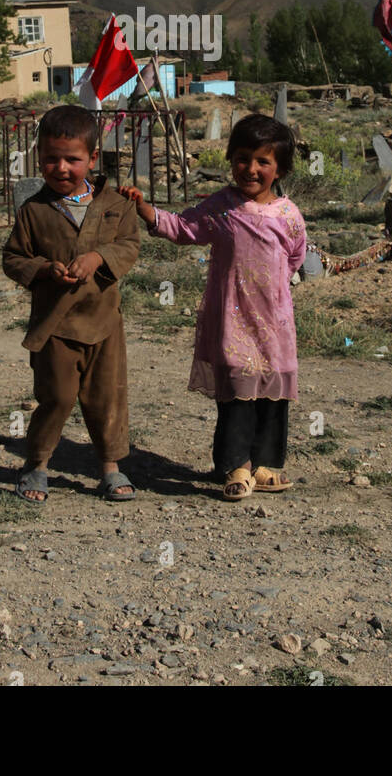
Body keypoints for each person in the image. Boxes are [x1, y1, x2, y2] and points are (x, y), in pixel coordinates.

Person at [121, 113, 306, 500]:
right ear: (230, 159)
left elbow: (295, 258)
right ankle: (235, 466)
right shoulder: (222, 206)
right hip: (233, 319)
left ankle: (266, 465)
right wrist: (146, 211)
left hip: (274, 322)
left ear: (280, 168)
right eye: (242, 158)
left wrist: (272, 293)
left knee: (273, 395)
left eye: (262, 162)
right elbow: (184, 228)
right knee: (238, 392)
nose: (250, 169)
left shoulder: (288, 214)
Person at [2, 106, 140, 506]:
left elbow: (129, 246)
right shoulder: (35, 211)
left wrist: (98, 258)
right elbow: (13, 258)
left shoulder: (117, 205)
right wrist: (45, 270)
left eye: (72, 159)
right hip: (56, 325)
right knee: (57, 397)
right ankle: (38, 464)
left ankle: (111, 467)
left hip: (104, 322)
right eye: (50, 158)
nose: (60, 167)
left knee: (107, 397)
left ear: (93, 159)